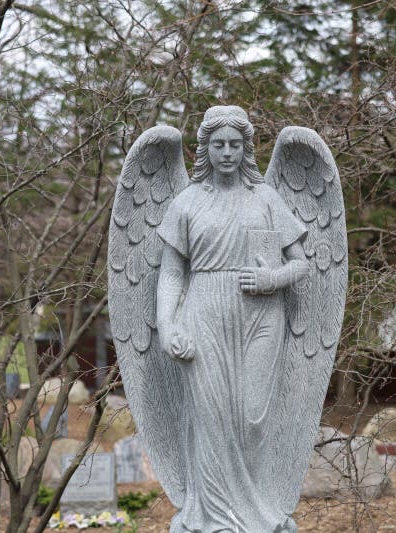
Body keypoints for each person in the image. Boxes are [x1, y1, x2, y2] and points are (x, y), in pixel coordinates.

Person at [155, 106, 309, 532]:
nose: (227, 153)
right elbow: (170, 273)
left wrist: (270, 278)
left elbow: (301, 265)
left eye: (235, 145)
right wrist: (168, 326)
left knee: (254, 419)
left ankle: (257, 511)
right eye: (218, 144)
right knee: (212, 417)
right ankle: (213, 518)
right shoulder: (187, 202)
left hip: (261, 316)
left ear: (246, 149)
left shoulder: (266, 199)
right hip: (204, 313)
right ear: (205, 148)